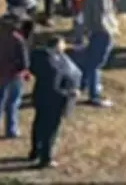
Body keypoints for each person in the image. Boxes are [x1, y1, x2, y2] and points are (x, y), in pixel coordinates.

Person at [28, 36, 81, 168]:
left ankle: (35, 151)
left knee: (38, 126)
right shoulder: (52, 65)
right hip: (52, 102)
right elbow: (54, 88)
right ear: (56, 46)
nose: (64, 47)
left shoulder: (38, 55)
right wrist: (70, 93)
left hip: (40, 97)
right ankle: (46, 158)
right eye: (62, 45)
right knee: (50, 131)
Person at [81, 0, 122, 107]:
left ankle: (83, 85)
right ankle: (94, 94)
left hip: (96, 30)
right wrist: (110, 31)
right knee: (96, 63)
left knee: (91, 60)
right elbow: (102, 16)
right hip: (102, 32)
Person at [0, 12, 31, 138]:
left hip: (2, 70)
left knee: (0, 96)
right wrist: (25, 71)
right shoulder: (19, 40)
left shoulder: (0, 33)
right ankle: (11, 130)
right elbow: (24, 61)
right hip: (15, 73)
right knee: (13, 101)